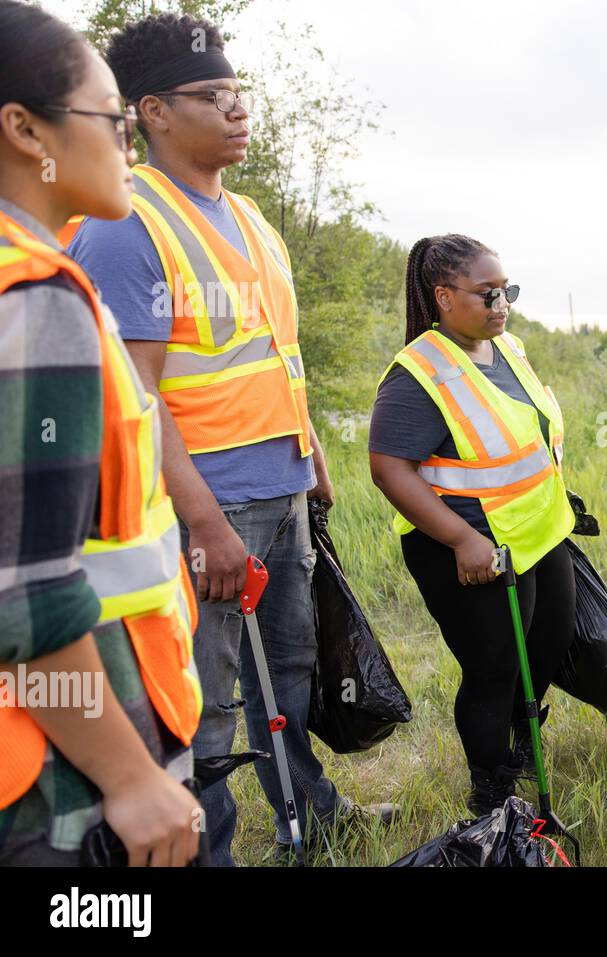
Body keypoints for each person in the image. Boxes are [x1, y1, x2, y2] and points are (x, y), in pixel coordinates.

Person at [66, 12, 394, 865]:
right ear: (152, 111)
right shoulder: (127, 222)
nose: (238, 110)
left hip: (281, 492)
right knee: (201, 699)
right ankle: (207, 847)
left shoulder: (251, 218)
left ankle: (308, 812)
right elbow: (135, 396)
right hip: (204, 506)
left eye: (240, 93)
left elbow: (275, 353)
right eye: (214, 96)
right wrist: (204, 521)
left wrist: (310, 453)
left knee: (289, 672)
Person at [0, 0, 201, 866]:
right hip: (61, 777)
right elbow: (25, 589)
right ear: (24, 129)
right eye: (112, 117)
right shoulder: (36, 297)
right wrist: (130, 777)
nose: (127, 144)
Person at [370, 235, 577, 816]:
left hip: (537, 533)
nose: (501, 304)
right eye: (487, 295)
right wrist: (462, 539)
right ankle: (492, 795)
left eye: (507, 292)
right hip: (466, 549)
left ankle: (521, 741)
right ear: (443, 296)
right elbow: (388, 469)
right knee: (493, 670)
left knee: (546, 650)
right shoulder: (419, 372)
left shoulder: (506, 347)